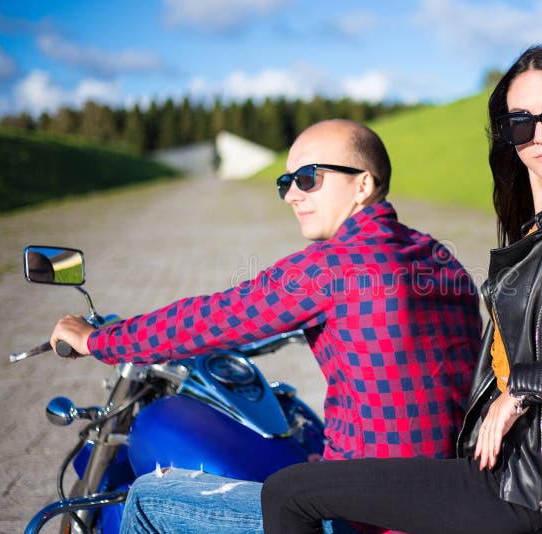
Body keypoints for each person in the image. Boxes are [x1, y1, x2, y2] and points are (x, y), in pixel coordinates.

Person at [260, 44, 542, 534]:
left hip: (528, 491)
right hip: (506, 471)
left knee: (288, 492)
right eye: (521, 124)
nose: (540, 136)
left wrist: (524, 390)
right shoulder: (539, 231)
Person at [50, 119, 483, 532]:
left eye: (309, 178)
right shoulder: (441, 260)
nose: (293, 194)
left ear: (363, 185)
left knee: (149, 499)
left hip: (361, 516)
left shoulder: (334, 266)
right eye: (286, 182)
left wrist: (98, 340)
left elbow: (211, 319)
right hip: (444, 499)